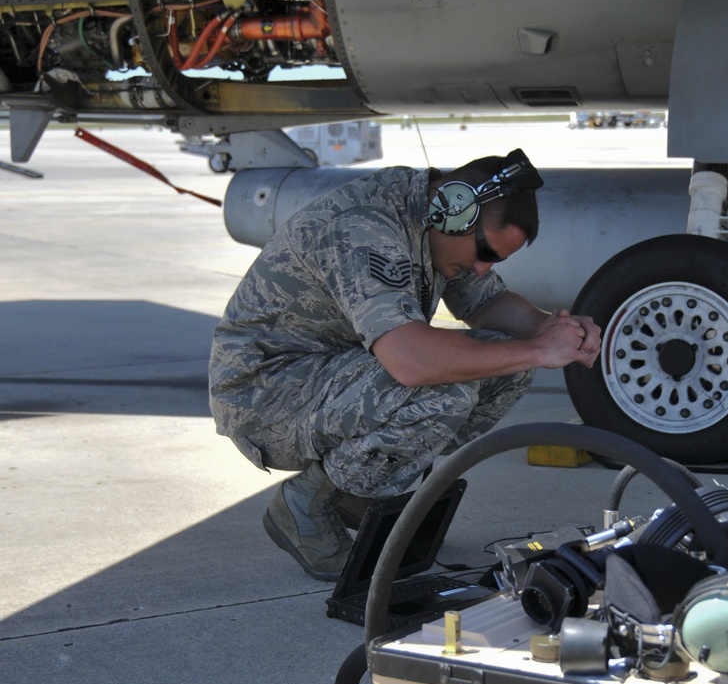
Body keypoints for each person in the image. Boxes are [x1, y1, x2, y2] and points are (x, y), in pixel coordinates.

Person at [209, 149, 602, 579]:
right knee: (442, 392)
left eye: (497, 259)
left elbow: (486, 301)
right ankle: (304, 503)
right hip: (267, 394)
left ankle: (363, 486)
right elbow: (412, 363)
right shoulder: (364, 227)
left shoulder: (439, 220)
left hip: (331, 374)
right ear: (452, 208)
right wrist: (539, 351)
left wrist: (547, 330)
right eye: (486, 249)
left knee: (504, 363)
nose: (483, 266)